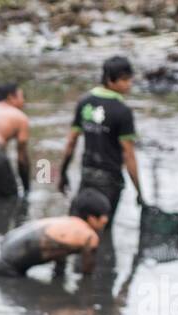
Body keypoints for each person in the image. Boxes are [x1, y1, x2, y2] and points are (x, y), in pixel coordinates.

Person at [57, 56, 143, 225]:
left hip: (87, 174)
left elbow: (71, 142)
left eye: (130, 79)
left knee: (78, 224)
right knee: (103, 228)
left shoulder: (85, 102)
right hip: (110, 179)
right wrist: (138, 190)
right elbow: (128, 154)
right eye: (124, 80)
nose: (129, 84)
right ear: (110, 80)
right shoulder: (123, 111)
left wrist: (63, 173)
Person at [0, 188, 112, 277]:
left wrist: (59, 276)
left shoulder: (64, 222)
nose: (105, 223)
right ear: (92, 218)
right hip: (5, 267)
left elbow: (59, 255)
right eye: (104, 219)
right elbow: (87, 273)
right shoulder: (89, 236)